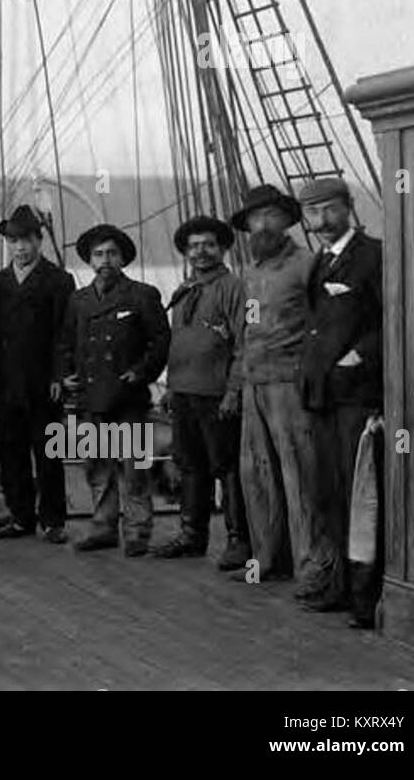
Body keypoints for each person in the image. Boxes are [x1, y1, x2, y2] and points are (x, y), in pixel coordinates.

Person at [227, 183, 335, 602]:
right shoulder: (249, 274)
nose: (263, 224)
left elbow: (322, 328)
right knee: (257, 475)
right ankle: (266, 560)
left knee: (300, 477)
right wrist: (237, 385)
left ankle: (312, 567)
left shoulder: (309, 266)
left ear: (288, 220)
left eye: (271, 215)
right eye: (255, 218)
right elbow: (246, 334)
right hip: (254, 384)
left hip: (291, 386)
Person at [297, 176, 383, 621]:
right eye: (312, 212)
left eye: (329, 209)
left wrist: (359, 355)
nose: (321, 220)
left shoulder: (373, 256)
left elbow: (394, 316)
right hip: (321, 396)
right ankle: (341, 587)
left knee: (359, 495)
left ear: (348, 207)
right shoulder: (318, 263)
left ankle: (367, 599)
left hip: (356, 397)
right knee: (328, 495)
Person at [58, 224, 170, 556]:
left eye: (111, 254)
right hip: (90, 398)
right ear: (89, 261)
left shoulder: (141, 295)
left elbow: (160, 341)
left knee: (134, 469)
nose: (105, 260)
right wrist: (65, 376)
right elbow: (64, 344)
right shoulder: (78, 301)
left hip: (128, 398)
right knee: (97, 467)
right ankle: (103, 526)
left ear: (122, 259)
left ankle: (137, 532)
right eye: (98, 254)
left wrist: (142, 372)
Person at [151, 215, 250, 569]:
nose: (201, 252)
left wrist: (233, 393)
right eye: (193, 246)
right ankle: (192, 536)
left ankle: (239, 541)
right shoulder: (185, 291)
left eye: (208, 245)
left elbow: (244, 344)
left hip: (217, 396)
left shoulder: (234, 288)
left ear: (222, 248)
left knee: (227, 468)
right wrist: (171, 387)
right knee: (190, 465)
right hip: (183, 393)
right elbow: (181, 343)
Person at [0, 205, 75, 543]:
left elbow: (64, 334)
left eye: (26, 240)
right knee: (11, 451)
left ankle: (53, 520)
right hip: (7, 382)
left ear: (39, 241)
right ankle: (20, 515)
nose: (20, 248)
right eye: (14, 241)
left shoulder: (58, 281)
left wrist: (59, 375)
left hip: (43, 383)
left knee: (48, 452)